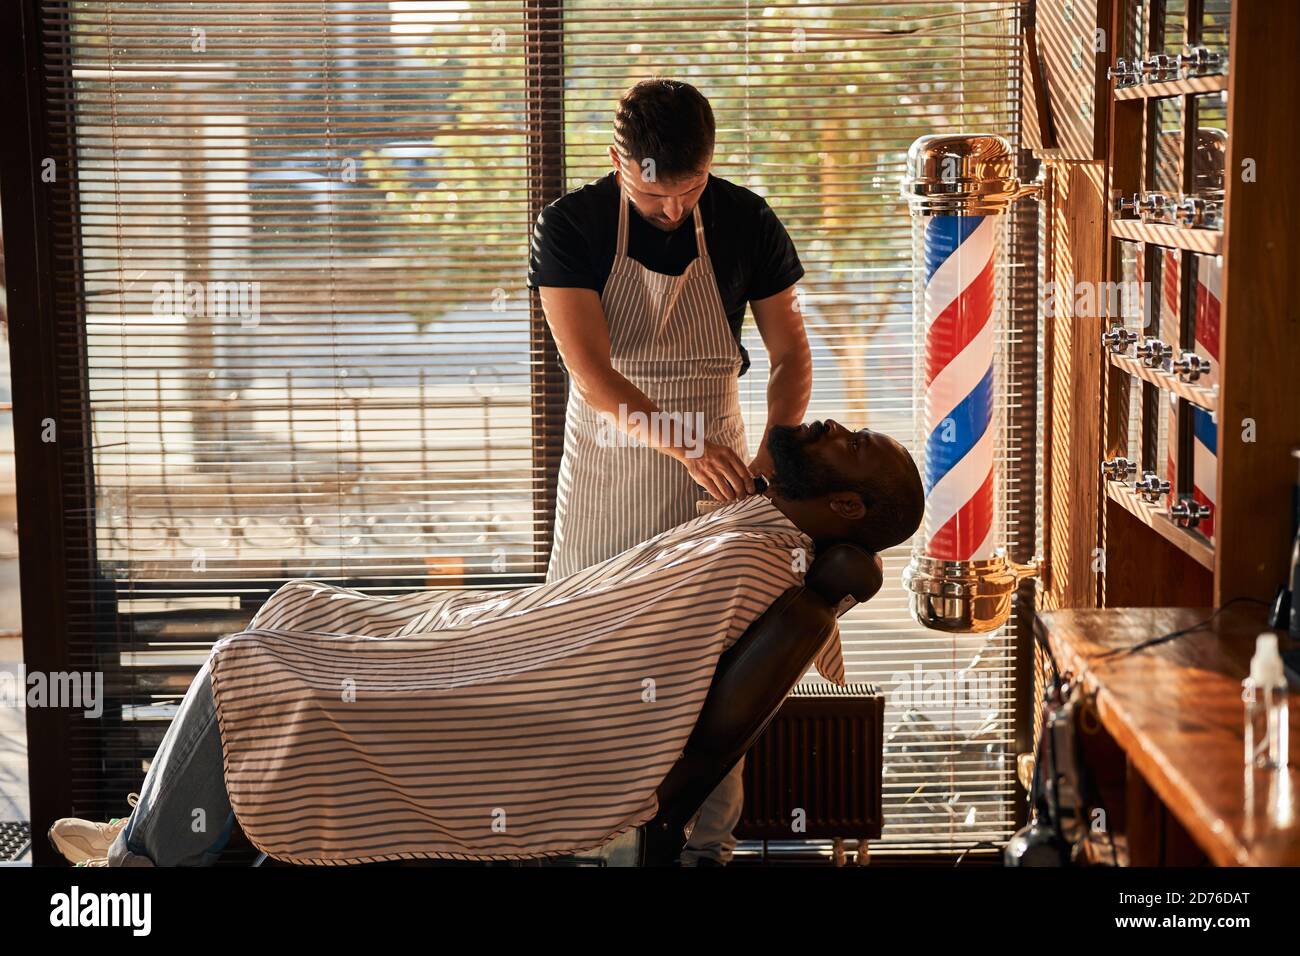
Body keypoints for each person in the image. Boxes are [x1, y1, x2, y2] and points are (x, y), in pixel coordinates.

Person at [49, 420, 923, 868]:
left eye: (851, 445)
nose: (828, 430)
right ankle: (156, 824)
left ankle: (142, 864)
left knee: (250, 665)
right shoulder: (762, 533)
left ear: (847, 508)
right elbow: (608, 614)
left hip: (528, 692)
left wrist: (490, 648)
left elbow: (623, 663)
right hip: (516, 643)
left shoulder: (755, 560)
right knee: (301, 608)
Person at [529, 77, 812, 864]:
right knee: (596, 669)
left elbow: (792, 359)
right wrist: (684, 443)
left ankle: (704, 851)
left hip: (717, 485)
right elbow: (591, 372)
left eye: (691, 190)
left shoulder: (746, 218)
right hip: (610, 474)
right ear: (618, 161)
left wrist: (765, 461)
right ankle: (597, 848)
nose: (676, 210)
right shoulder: (572, 226)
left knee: (713, 677)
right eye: (656, 195)